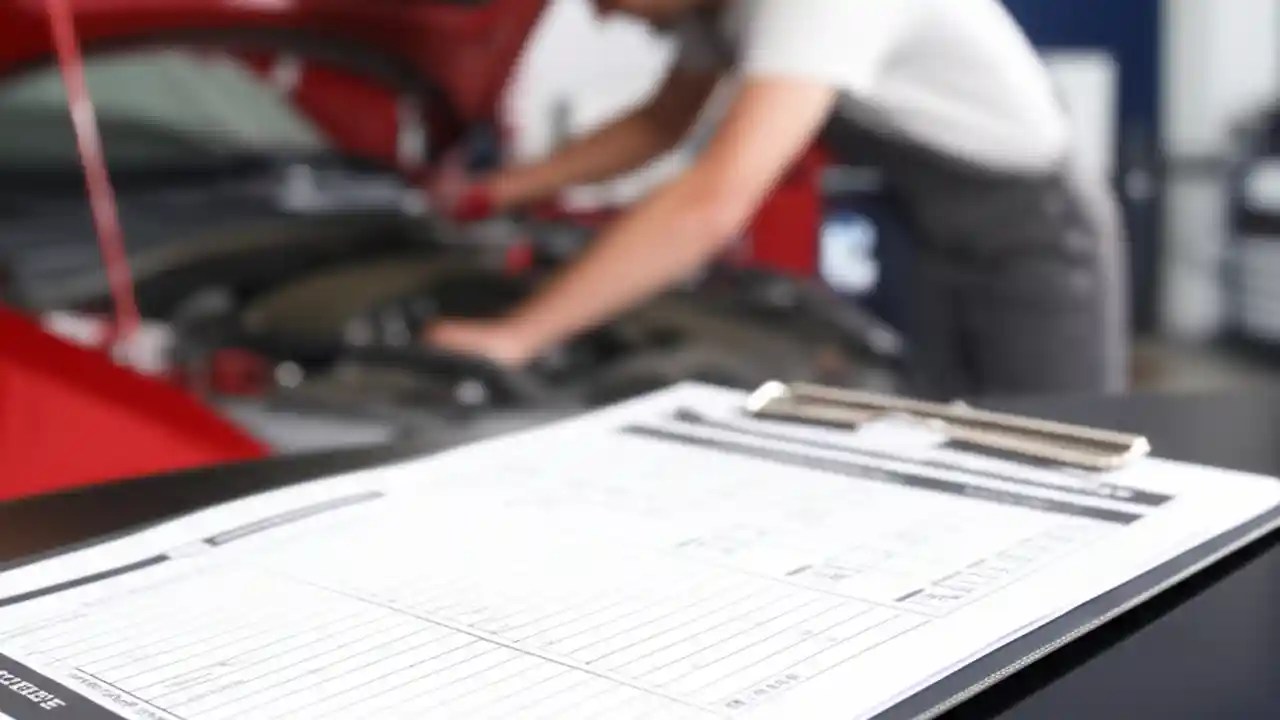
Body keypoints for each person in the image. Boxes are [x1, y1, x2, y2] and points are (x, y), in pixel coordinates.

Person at [428, 0, 1129, 398]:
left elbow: (712, 203)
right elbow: (658, 124)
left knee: (1063, 453)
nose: (605, 16)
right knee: (956, 433)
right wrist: (494, 192)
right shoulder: (715, 13)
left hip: (1037, 234)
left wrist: (518, 336)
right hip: (932, 226)